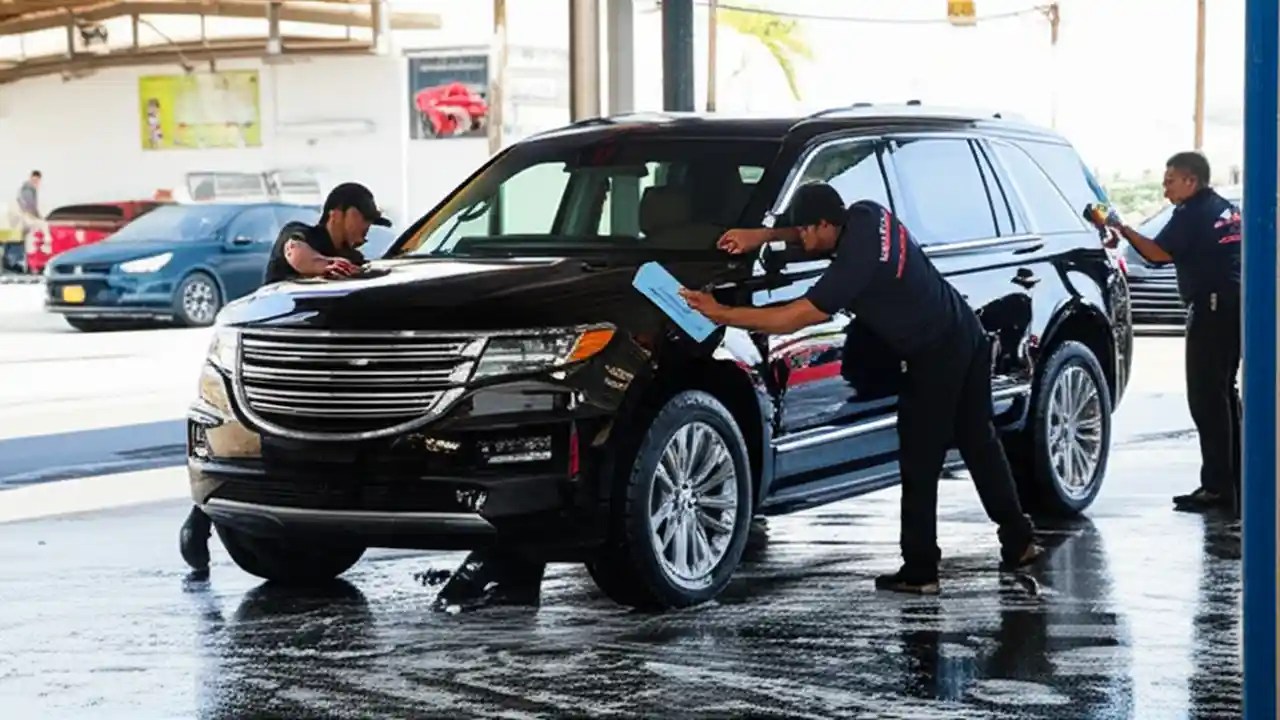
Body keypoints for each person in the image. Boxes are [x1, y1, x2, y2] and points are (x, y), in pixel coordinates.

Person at [678, 183, 1043, 595]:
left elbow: (790, 319)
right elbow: (812, 226)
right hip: (967, 334)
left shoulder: (853, 266)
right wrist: (761, 236)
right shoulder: (868, 213)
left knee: (920, 459)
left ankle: (920, 571)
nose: (800, 240)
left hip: (937, 353)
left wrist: (720, 313)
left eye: (804, 232)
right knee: (981, 441)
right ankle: (1019, 539)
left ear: (824, 224)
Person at [179, 182, 389, 575]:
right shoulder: (300, 236)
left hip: (321, 379)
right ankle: (201, 521)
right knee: (246, 453)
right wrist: (324, 268)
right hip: (270, 371)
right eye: (365, 219)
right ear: (339, 213)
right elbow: (298, 255)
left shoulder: (354, 259)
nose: (368, 230)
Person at [1090, 152, 1241, 517]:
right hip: (1232, 306)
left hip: (1213, 307)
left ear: (1191, 180)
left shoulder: (1193, 213)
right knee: (1223, 396)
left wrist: (1120, 227)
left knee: (1207, 399)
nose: (1164, 188)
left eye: (1170, 180)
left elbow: (1157, 255)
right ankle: (1235, 480)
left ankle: (1219, 488)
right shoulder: (1222, 209)